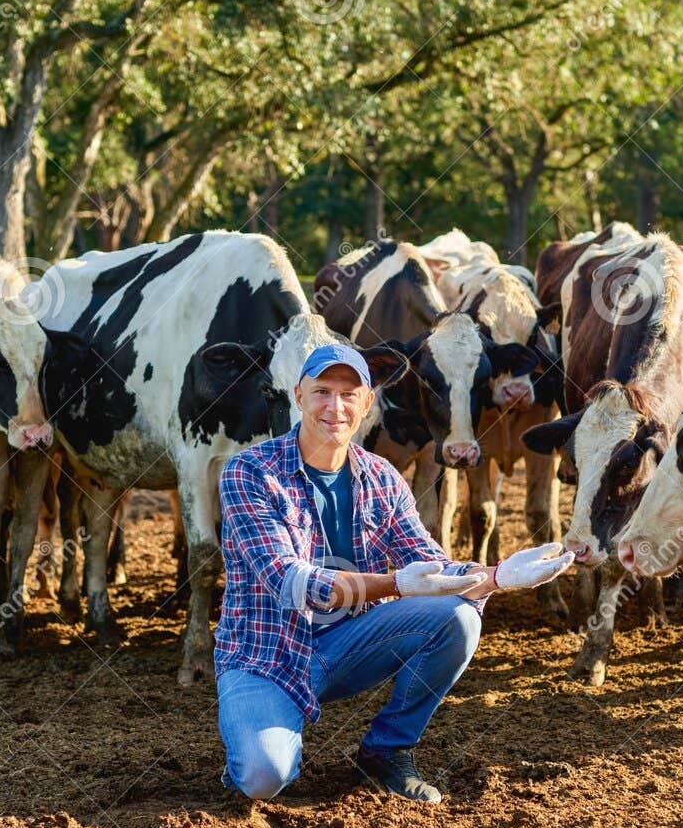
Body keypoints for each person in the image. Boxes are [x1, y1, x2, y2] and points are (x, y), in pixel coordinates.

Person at [213, 343, 575, 802]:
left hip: (349, 647)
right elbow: (290, 582)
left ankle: (386, 750)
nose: (335, 406)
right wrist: (396, 584)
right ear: (299, 394)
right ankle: (247, 758)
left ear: (368, 404)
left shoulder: (382, 477)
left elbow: (434, 566)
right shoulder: (249, 472)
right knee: (264, 779)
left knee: (457, 615)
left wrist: (498, 575)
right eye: (322, 391)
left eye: (349, 395)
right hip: (266, 656)